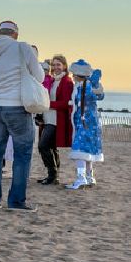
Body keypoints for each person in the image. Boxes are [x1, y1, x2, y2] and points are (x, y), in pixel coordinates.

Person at [0, 20, 44, 211]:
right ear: (15, 34)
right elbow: (39, 76)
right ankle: (16, 201)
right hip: (17, 108)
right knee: (22, 155)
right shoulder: (22, 48)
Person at [65, 59, 105, 190]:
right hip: (89, 122)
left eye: (73, 74)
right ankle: (89, 176)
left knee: (80, 149)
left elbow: (99, 95)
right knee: (87, 150)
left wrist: (95, 84)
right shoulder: (83, 86)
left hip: (85, 122)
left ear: (78, 74)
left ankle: (81, 178)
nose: (72, 76)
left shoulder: (86, 86)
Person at [37, 54, 74, 184]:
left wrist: (48, 104)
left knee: (43, 146)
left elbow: (66, 103)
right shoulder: (52, 80)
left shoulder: (67, 82)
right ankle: (53, 176)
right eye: (54, 65)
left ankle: (52, 175)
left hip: (57, 120)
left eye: (58, 64)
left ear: (64, 66)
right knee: (51, 147)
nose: (55, 67)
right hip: (47, 118)